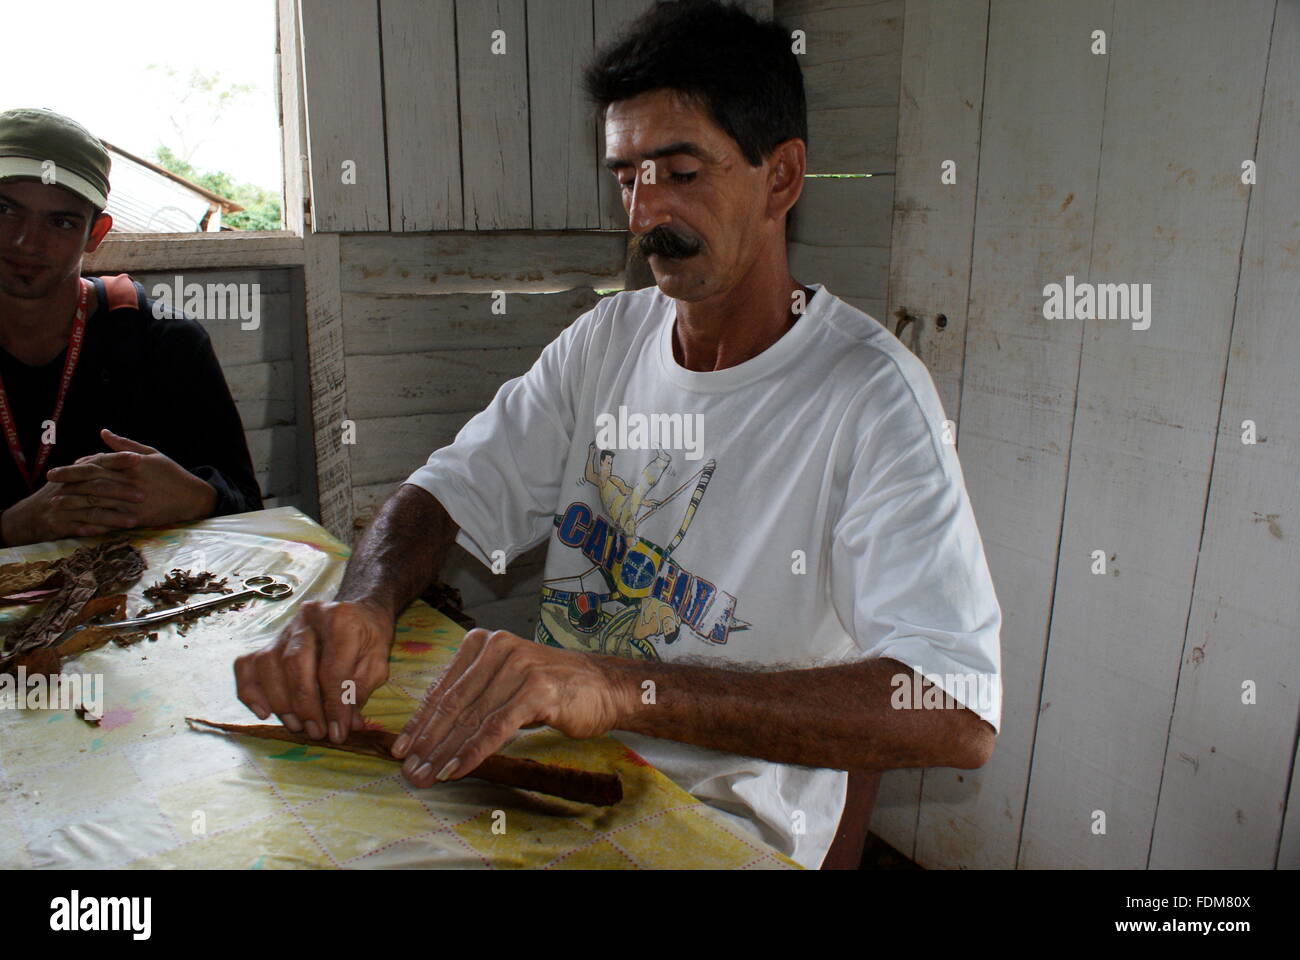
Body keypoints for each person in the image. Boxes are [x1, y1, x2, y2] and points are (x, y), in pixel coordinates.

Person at [234, 0, 1002, 869]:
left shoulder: (870, 397)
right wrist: (365, 603)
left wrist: (617, 684)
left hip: (715, 827)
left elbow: (955, 708)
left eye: (680, 173)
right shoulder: (607, 341)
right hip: (553, 776)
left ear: (781, 179)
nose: (645, 214)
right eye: (627, 175)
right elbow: (445, 492)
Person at [0, 107, 262, 546]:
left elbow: (249, 510)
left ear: (96, 234)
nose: (28, 241)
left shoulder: (166, 342)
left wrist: (196, 497)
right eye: (6, 210)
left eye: (61, 221)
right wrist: (14, 528)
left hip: (138, 606)